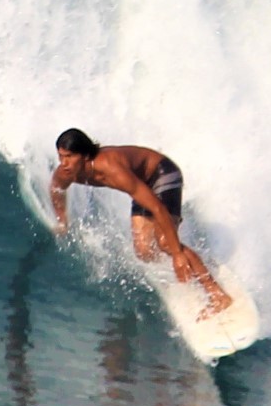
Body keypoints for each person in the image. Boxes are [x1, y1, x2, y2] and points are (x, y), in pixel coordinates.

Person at [48, 128, 234, 317]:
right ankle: (195, 263)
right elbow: (56, 189)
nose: (64, 163)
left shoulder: (112, 169)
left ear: (86, 156)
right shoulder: (66, 172)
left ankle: (217, 295)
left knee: (165, 242)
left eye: (69, 156)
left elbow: (157, 208)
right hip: (141, 184)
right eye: (61, 156)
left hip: (162, 174)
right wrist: (62, 221)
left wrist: (177, 253)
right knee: (144, 251)